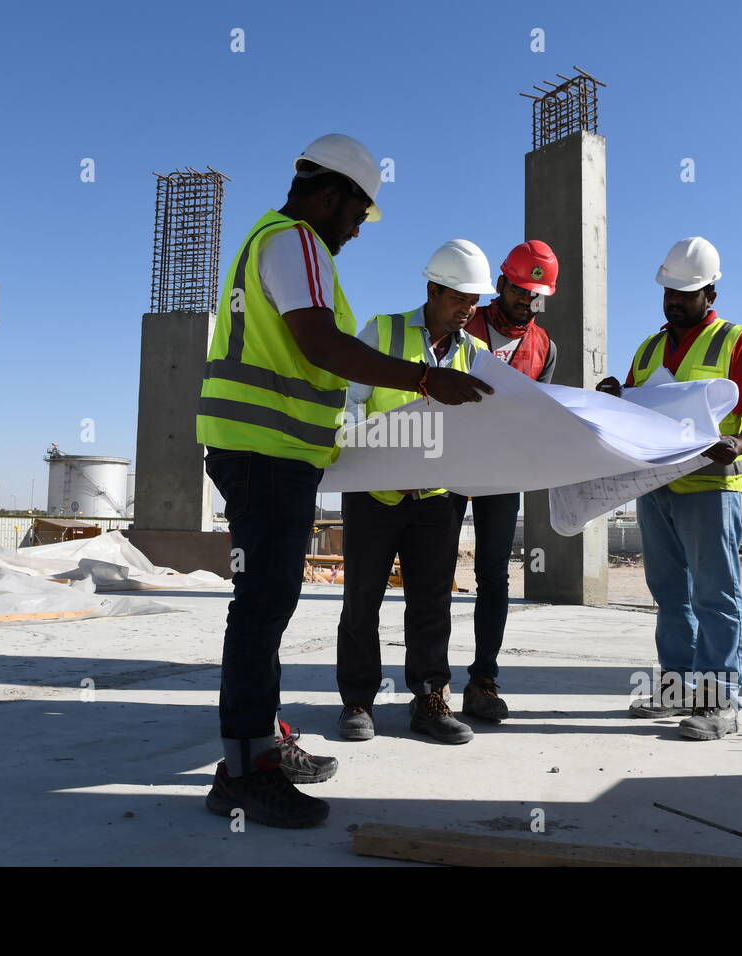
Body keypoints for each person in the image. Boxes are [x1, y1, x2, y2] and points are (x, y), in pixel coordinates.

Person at [197, 135, 492, 828]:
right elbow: (319, 342)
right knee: (262, 609)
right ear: (329, 197)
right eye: (359, 214)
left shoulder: (275, 241)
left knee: (265, 606)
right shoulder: (299, 241)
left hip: (271, 455)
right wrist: (423, 379)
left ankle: (261, 744)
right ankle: (244, 771)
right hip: (264, 455)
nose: (359, 229)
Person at [596, 237, 742, 740]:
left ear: (709, 293)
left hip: (711, 487)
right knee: (670, 593)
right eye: (669, 292)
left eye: (685, 293)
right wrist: (615, 396)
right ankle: (678, 689)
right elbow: (635, 407)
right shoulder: (651, 347)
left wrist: (739, 442)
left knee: (715, 595)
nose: (674, 301)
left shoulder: (738, 341)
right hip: (657, 486)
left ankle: (720, 702)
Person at [336, 240, 494, 746]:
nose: (468, 309)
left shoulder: (478, 355)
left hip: (437, 500)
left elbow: (486, 426)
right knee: (363, 598)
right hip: (373, 496)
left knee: (432, 602)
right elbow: (348, 406)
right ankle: (357, 700)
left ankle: (430, 698)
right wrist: (383, 459)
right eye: (459, 298)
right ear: (432, 290)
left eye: (474, 301)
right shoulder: (381, 331)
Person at [452, 240, 559, 721]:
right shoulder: (462, 322)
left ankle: (482, 682)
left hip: (501, 471)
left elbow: (541, 411)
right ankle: (428, 685)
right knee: (433, 573)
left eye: (536, 296)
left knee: (493, 576)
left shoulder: (545, 347)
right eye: (520, 291)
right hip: (447, 466)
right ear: (500, 285)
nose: (527, 302)